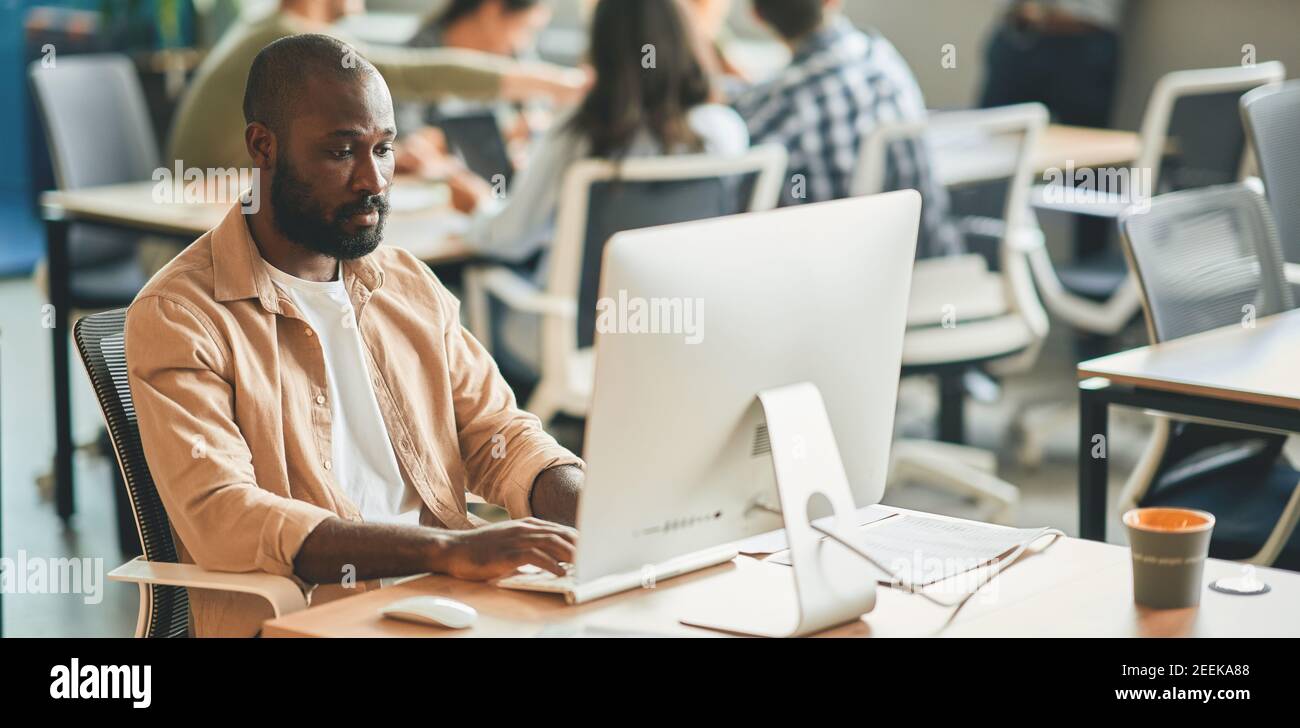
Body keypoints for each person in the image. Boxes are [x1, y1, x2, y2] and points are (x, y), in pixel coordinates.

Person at [127, 34, 584, 637]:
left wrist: (592, 504)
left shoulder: (406, 283)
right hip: (310, 619)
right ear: (263, 147)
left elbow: (497, 434)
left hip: (447, 603)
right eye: (342, 152)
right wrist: (440, 551)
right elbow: (225, 515)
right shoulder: (180, 316)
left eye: (385, 149)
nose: (373, 180)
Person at [445, 0, 749, 376]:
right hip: (684, 333)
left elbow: (509, 238)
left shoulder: (579, 132)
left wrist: (478, 206)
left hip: (582, 344)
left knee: (467, 286)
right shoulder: (724, 132)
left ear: (602, 49)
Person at [166, 0, 585, 174]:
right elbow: (408, 73)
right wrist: (559, 84)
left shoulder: (270, 30)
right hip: (197, 226)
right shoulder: (287, 38)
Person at [733, 0, 961, 259]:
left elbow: (730, 191)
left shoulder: (778, 100)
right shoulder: (880, 53)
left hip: (844, 283)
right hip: (932, 258)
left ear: (756, 16)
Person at [978, 0, 1127, 262]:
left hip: (1084, 37)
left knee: (1092, 165)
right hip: (1020, 30)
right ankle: (985, 264)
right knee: (984, 149)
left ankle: (1092, 278)